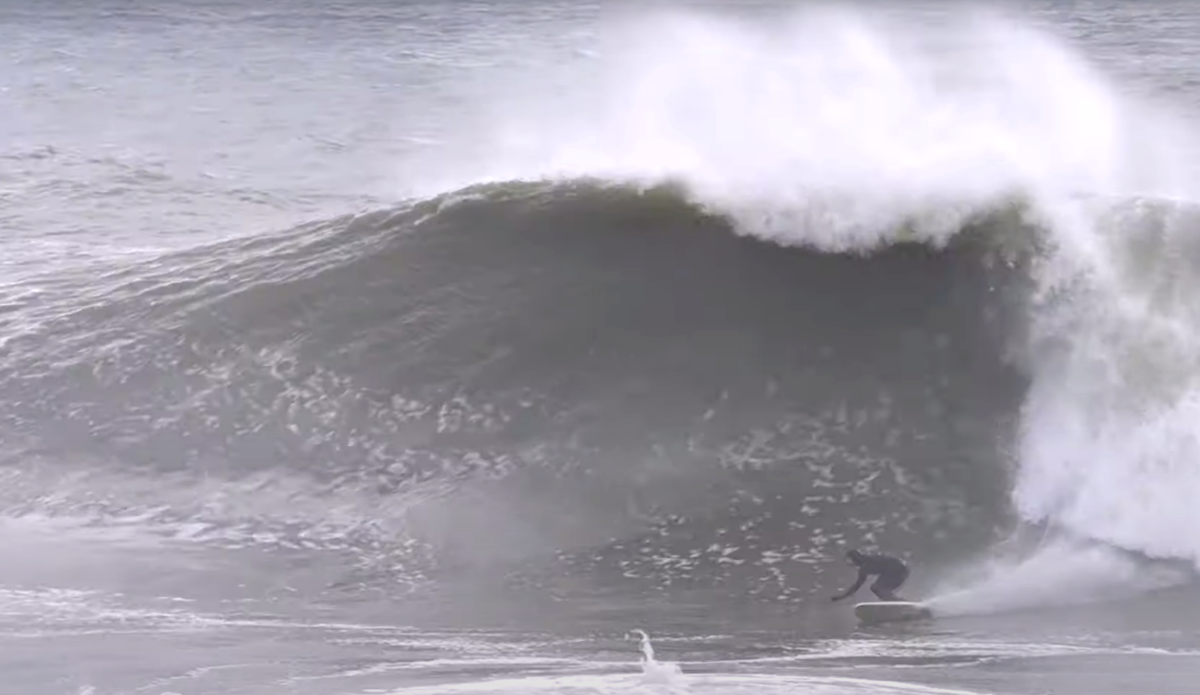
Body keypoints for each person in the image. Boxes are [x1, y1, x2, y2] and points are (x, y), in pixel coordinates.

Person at [830, 549, 909, 602]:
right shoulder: (863, 568)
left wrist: (843, 597)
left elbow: (890, 561)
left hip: (898, 569)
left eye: (850, 560)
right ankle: (897, 603)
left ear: (855, 558)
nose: (851, 564)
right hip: (901, 570)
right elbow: (857, 586)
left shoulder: (869, 560)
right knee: (879, 590)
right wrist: (843, 597)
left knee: (877, 588)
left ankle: (899, 603)